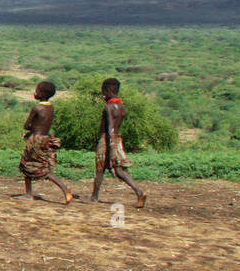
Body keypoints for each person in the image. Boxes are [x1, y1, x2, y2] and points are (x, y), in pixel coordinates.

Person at [86, 77, 147, 207]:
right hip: (118, 139)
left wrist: (111, 148)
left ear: (107, 91)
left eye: (103, 92)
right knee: (119, 170)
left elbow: (110, 128)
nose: (103, 95)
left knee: (100, 169)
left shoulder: (109, 107)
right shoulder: (122, 106)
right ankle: (138, 191)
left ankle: (94, 197)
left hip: (108, 139)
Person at [17, 81, 73, 203]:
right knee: (36, 164)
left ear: (41, 93)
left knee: (28, 164)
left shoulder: (37, 108)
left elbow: (27, 125)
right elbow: (43, 125)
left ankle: (30, 194)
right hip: (45, 138)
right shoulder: (50, 108)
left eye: (36, 90)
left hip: (35, 140)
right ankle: (29, 193)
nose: (35, 92)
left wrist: (29, 131)